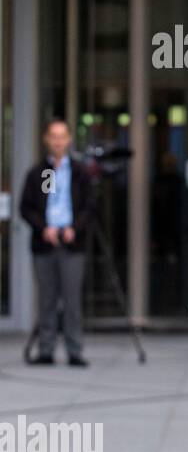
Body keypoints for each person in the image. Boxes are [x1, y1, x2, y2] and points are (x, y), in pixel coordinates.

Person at [20, 118, 95, 366]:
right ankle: (46, 349)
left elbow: (88, 207)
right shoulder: (40, 172)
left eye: (62, 136)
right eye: (54, 136)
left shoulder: (79, 172)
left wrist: (75, 228)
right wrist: (44, 228)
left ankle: (75, 350)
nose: (58, 141)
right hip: (45, 242)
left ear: (69, 139)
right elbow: (29, 207)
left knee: (72, 299)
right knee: (47, 298)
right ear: (46, 139)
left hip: (72, 242)